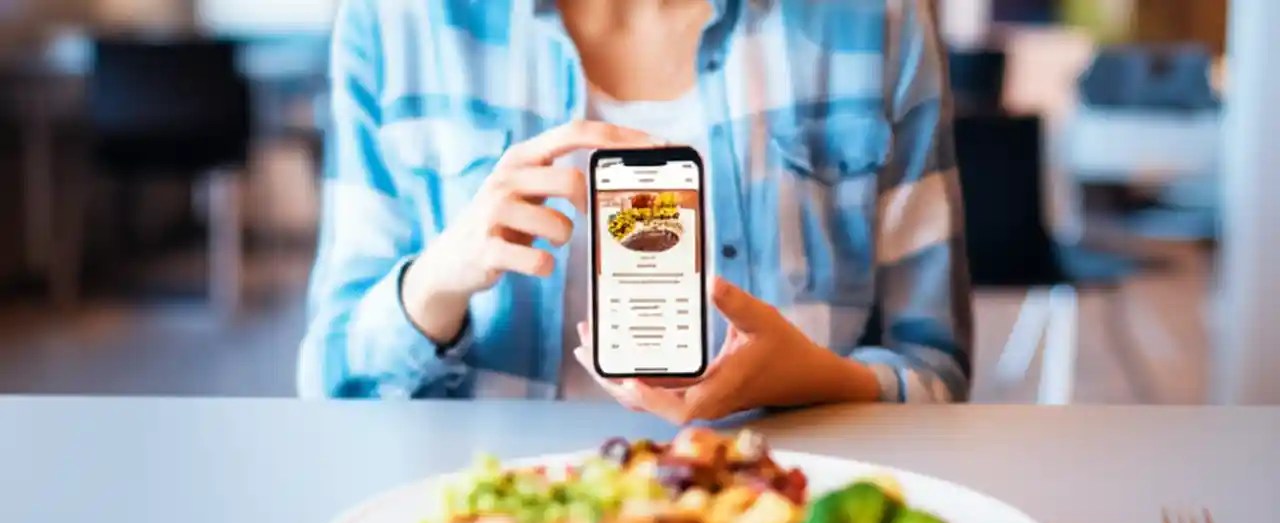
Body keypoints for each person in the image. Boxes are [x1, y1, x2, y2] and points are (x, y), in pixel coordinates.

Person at [298, 0, 972, 423]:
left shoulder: (879, 19)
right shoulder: (395, 22)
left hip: (781, 514)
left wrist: (821, 382)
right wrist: (438, 280)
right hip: (489, 519)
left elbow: (935, 374)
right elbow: (331, 384)